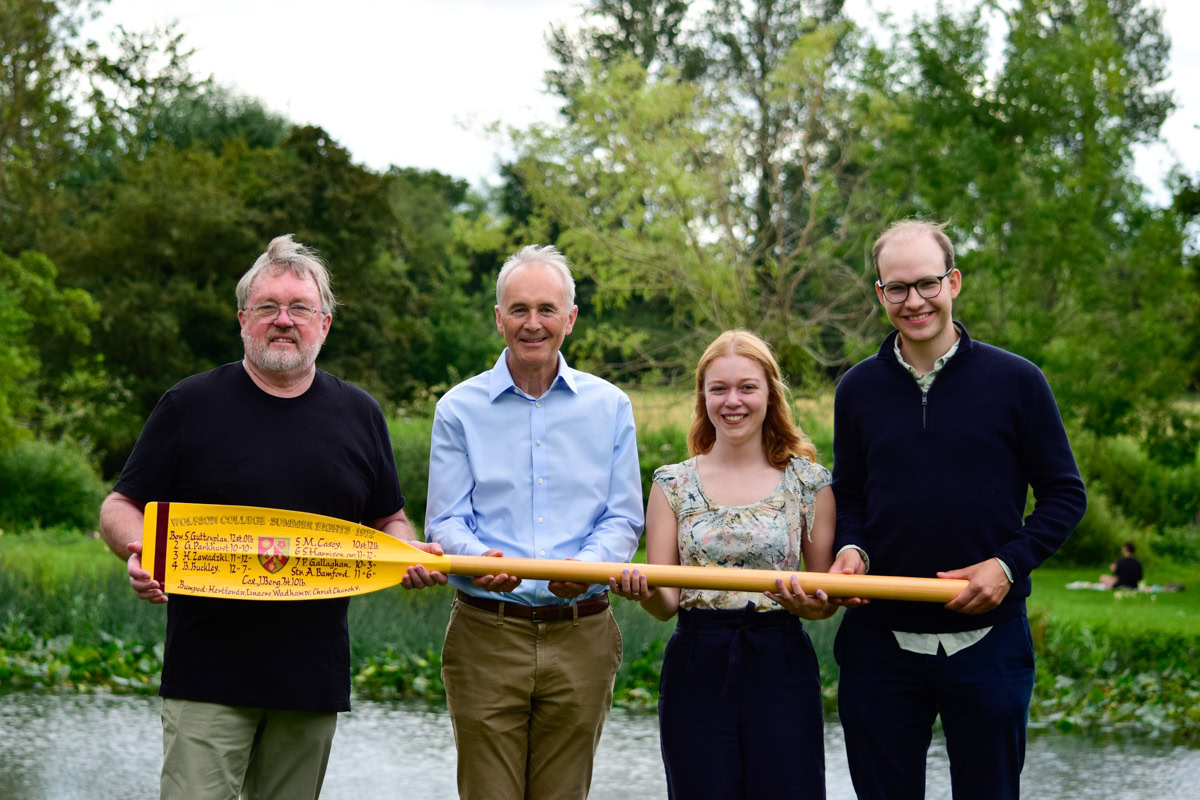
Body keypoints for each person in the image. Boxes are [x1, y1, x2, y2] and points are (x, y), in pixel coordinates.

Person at [98, 234, 446, 800]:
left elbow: (390, 520)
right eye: (268, 308)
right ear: (243, 320)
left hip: (310, 680)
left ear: (324, 324)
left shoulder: (361, 414)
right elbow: (119, 505)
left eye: (300, 309)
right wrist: (140, 550)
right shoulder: (189, 405)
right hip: (206, 678)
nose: (284, 321)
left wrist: (406, 554)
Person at [829, 219, 1087, 800]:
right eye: (897, 288)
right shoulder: (857, 389)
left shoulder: (1018, 381)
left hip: (990, 643)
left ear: (954, 282)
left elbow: (1066, 495)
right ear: (879, 295)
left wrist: (1007, 564)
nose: (913, 300)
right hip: (879, 646)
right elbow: (850, 494)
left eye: (927, 283)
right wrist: (850, 548)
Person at [424, 244, 643, 800]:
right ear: (499, 317)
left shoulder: (611, 406)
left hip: (583, 631)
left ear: (570, 318)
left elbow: (622, 518)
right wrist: (476, 561)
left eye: (547, 309)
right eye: (518, 309)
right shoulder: (457, 408)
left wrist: (589, 568)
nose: (532, 323)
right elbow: (447, 517)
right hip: (486, 631)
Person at [609, 329, 836, 800]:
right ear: (703, 397)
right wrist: (642, 588)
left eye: (747, 387)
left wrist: (809, 605)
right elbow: (666, 602)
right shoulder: (672, 484)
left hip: (781, 663)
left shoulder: (810, 482)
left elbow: (824, 601)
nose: (733, 401)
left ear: (770, 393)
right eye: (719, 389)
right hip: (697, 664)